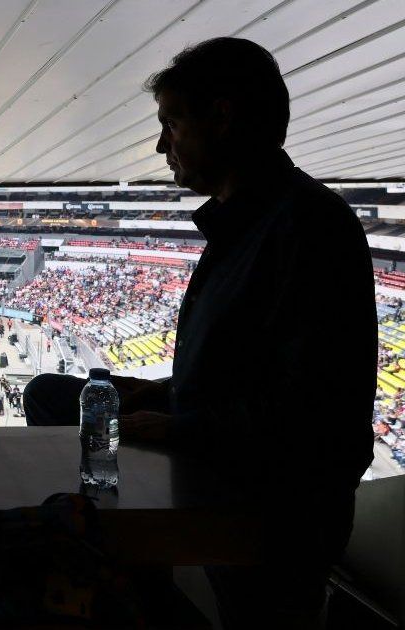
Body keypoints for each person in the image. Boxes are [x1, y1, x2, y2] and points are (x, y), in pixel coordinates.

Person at [22, 38, 374, 628]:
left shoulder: (309, 229)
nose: (162, 145)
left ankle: (111, 572)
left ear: (222, 116)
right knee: (51, 394)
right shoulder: (259, 222)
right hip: (222, 450)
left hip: (261, 501)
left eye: (171, 123)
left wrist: (182, 426)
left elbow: (316, 423)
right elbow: (251, 372)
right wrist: (163, 395)